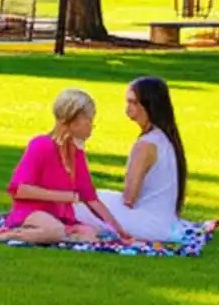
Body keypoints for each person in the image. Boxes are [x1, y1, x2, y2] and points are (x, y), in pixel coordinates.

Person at [0, 88, 129, 244]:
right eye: (89, 120)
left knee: (90, 235)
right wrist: (64, 196)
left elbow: (90, 198)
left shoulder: (76, 153)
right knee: (55, 232)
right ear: (74, 119)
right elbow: (18, 189)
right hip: (32, 212)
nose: (92, 126)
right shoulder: (41, 145)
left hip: (61, 218)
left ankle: (52, 234)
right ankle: (10, 234)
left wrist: (120, 231)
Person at [74, 77, 189, 241]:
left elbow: (129, 199)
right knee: (95, 197)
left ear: (150, 105)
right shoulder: (164, 137)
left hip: (148, 225)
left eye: (134, 103)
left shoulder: (145, 145)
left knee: (79, 203)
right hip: (165, 222)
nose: (128, 110)